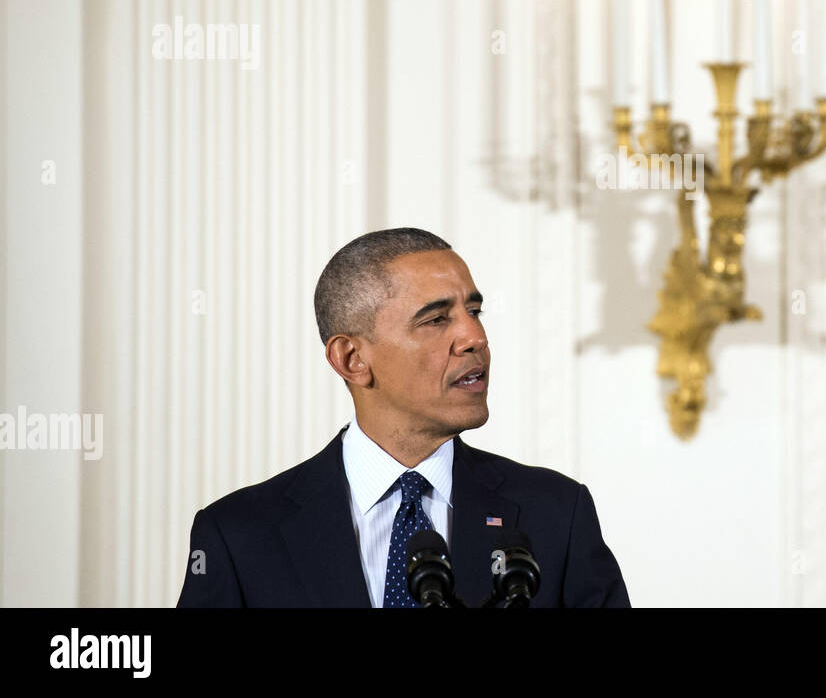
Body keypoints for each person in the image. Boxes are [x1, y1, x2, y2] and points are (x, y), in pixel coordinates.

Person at [177, 227, 630, 607]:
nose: (474, 337)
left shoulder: (555, 514)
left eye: (473, 311)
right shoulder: (239, 535)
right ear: (352, 358)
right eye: (436, 320)